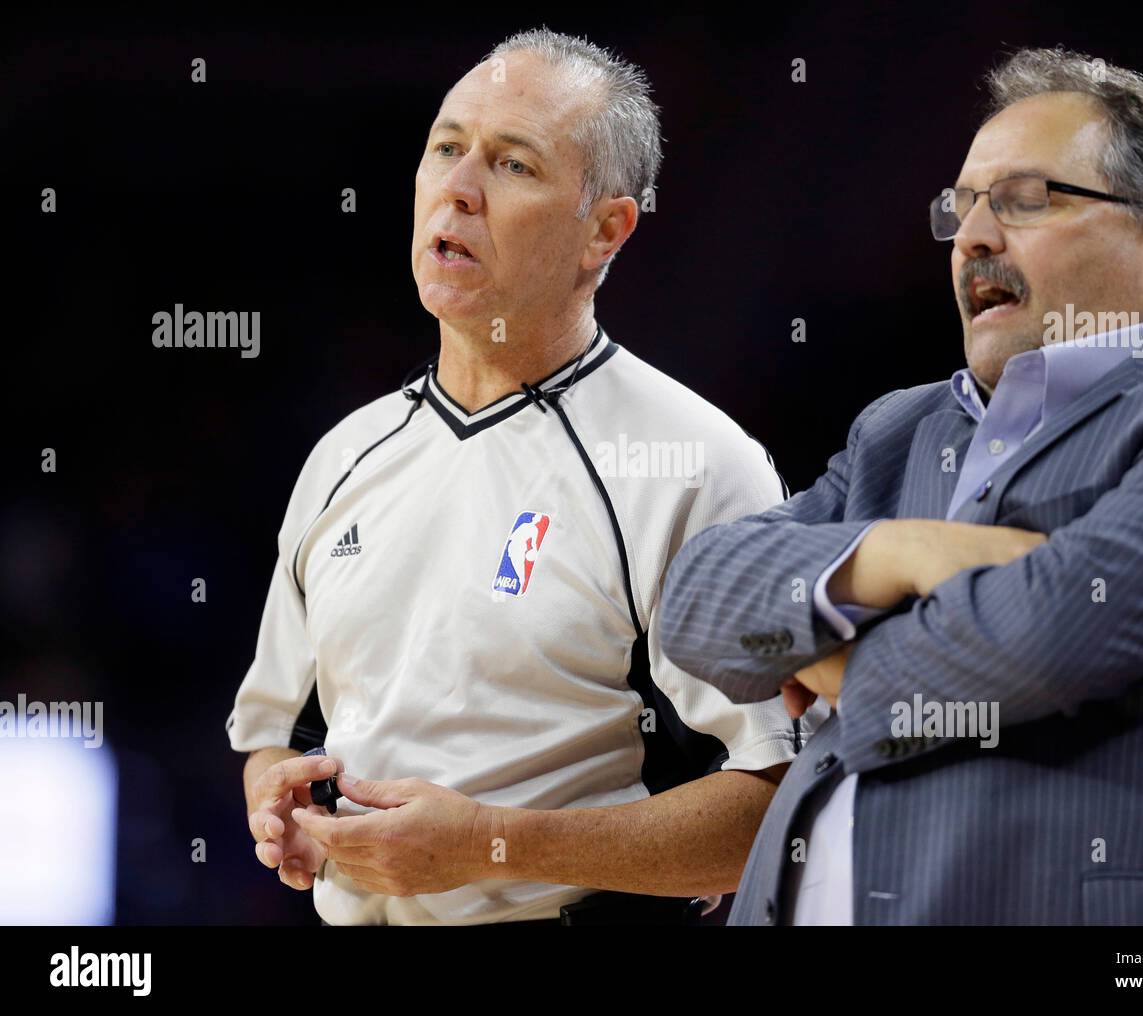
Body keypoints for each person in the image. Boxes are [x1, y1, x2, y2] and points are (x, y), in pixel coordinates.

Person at [660, 46, 1143, 925]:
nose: (973, 237)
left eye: (1025, 201)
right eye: (960, 210)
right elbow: (695, 600)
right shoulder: (900, 431)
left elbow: (1053, 629)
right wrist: (897, 548)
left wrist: (833, 656)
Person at [227, 28, 825, 925]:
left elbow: (779, 808)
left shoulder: (697, 465)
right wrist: (278, 807)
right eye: (446, 148)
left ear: (605, 230)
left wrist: (485, 845)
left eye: (512, 165)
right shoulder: (343, 454)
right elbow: (275, 736)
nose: (458, 190)